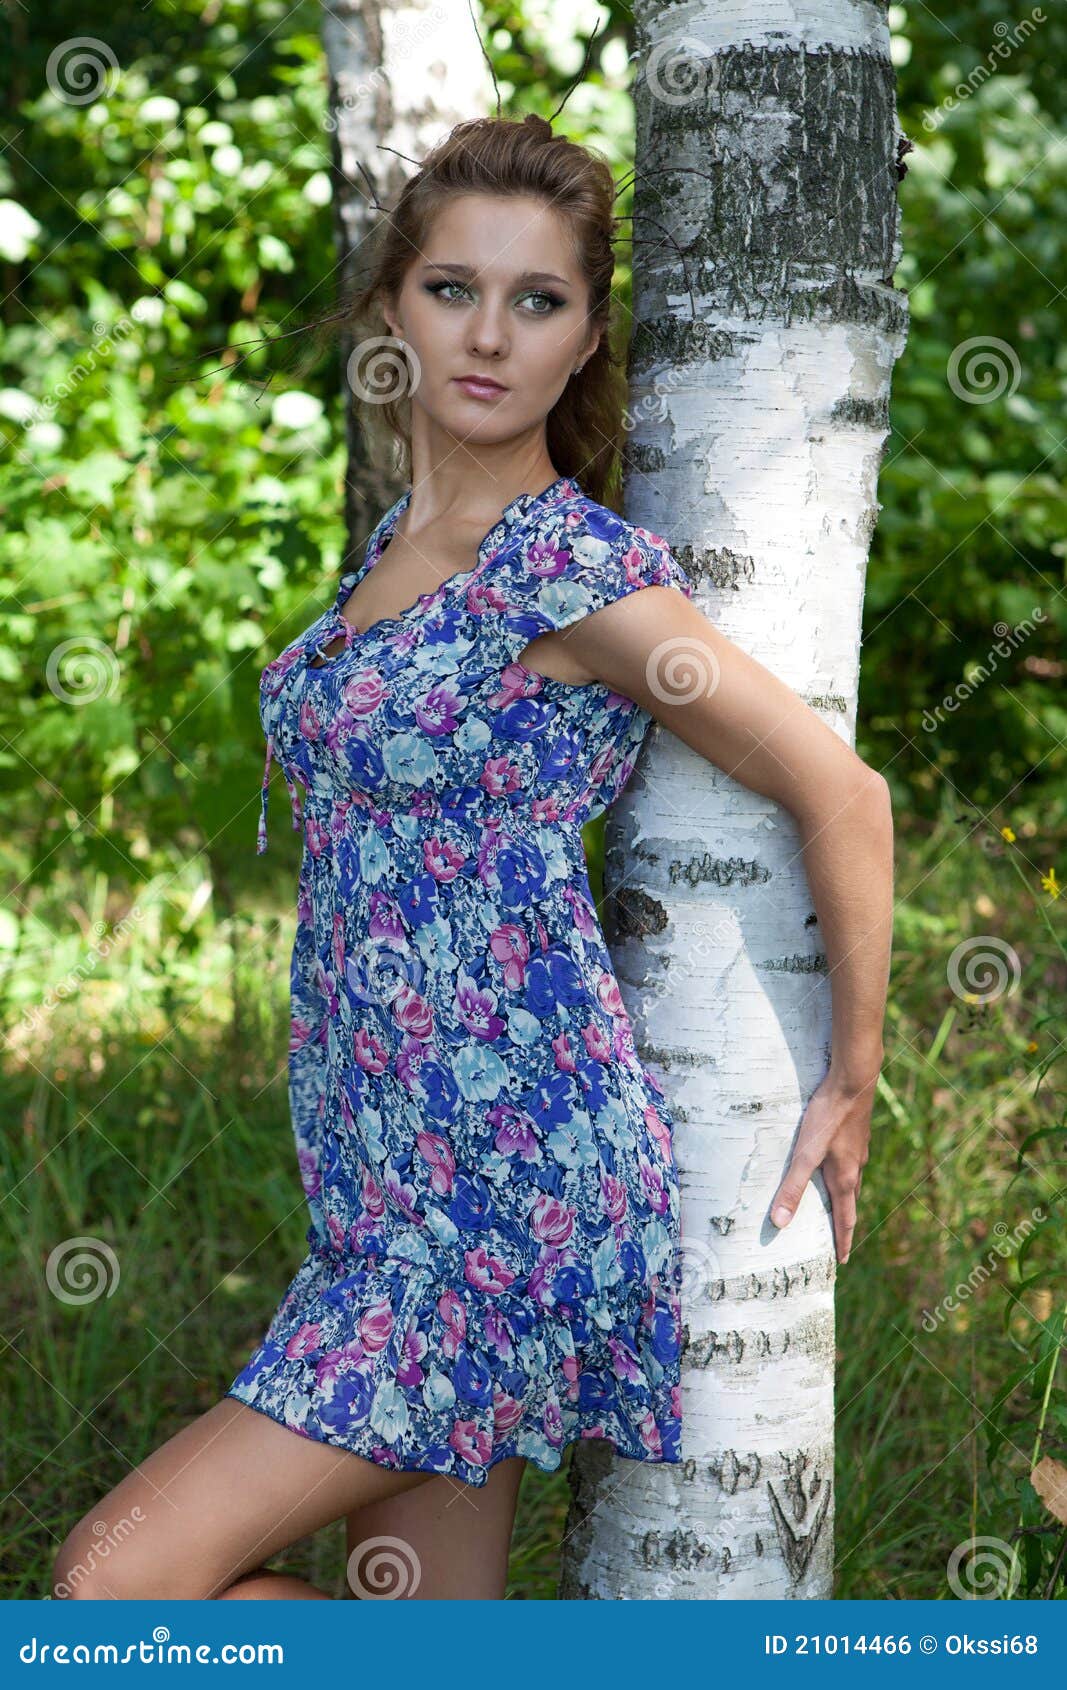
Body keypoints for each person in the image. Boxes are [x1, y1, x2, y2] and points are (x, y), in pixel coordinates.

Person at [53, 113, 889, 1603]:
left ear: (584, 341)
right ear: (392, 308)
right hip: (389, 1190)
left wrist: (850, 1074)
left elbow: (843, 790)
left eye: (540, 300)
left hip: (497, 1201)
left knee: (112, 1587)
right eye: (453, 289)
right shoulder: (391, 544)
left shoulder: (562, 570)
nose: (489, 334)